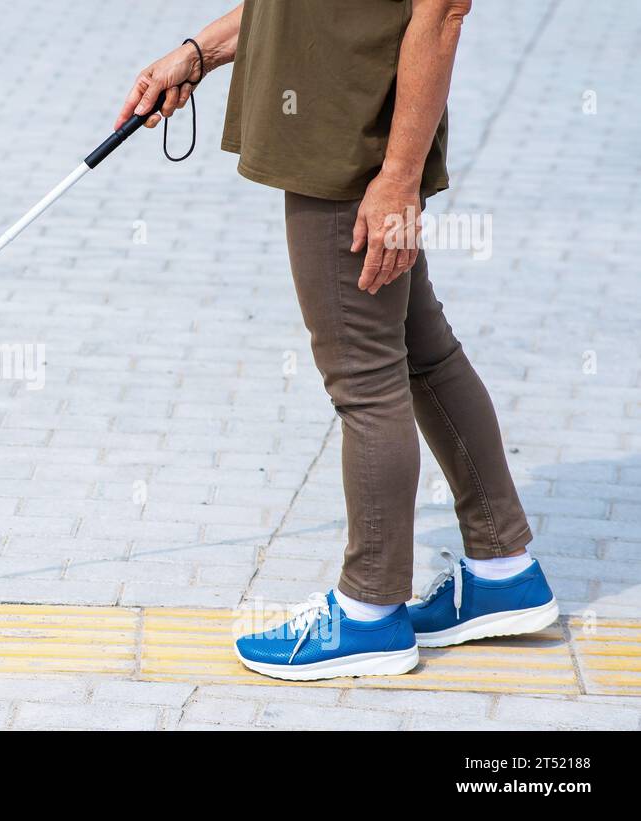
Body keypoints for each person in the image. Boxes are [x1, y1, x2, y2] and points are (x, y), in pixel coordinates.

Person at [116, 0, 558, 680]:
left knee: (365, 376)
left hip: (350, 145)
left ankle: (370, 611)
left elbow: (441, 12)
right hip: (345, 130)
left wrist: (399, 177)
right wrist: (199, 52)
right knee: (419, 349)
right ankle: (502, 568)